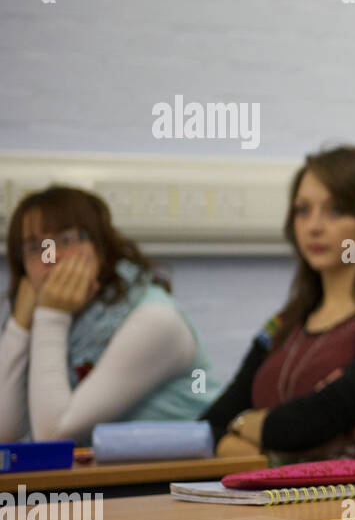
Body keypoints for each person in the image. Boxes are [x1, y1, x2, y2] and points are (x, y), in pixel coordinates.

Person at [202, 146, 355, 464]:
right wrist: (246, 437)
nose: (313, 226)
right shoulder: (282, 326)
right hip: (266, 501)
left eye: (336, 211)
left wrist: (250, 426)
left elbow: (322, 417)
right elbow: (209, 426)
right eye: (302, 210)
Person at [0, 185, 217, 444]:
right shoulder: (62, 322)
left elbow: (53, 435)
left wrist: (52, 314)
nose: (51, 256)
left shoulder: (156, 319)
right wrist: (20, 326)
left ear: (100, 250)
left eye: (67, 239)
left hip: (182, 480)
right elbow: (6, 433)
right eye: (35, 247)